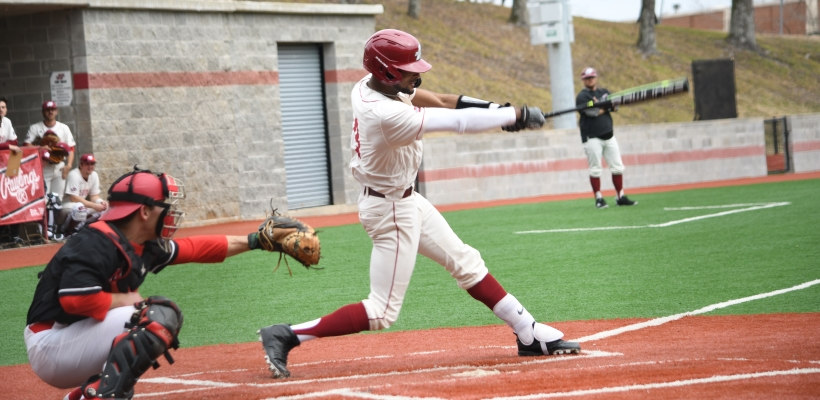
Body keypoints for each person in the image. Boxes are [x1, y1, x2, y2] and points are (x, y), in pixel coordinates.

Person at [257, 28, 580, 380]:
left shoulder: (372, 85)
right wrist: (510, 116)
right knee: (381, 311)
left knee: (466, 261)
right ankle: (286, 334)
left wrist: (497, 110)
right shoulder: (385, 114)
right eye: (409, 68)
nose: (418, 74)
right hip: (390, 211)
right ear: (388, 72)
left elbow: (442, 100)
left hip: (405, 201)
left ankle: (527, 331)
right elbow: (455, 121)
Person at [24, 167, 285, 400]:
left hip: (75, 336)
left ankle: (87, 394)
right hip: (50, 343)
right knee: (154, 316)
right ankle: (106, 395)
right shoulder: (95, 242)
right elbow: (76, 300)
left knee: (154, 314)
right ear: (145, 211)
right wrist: (126, 300)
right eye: (164, 204)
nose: (170, 211)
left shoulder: (139, 242)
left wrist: (256, 241)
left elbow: (195, 248)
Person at [576, 67, 636, 209]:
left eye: (592, 77)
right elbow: (593, 112)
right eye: (587, 78)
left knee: (617, 167)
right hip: (592, 137)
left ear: (596, 78)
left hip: (609, 135)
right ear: (583, 80)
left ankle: (620, 196)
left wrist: (606, 106)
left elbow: (615, 106)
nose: (590, 80)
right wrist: (605, 107)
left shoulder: (604, 92)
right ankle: (599, 198)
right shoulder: (582, 97)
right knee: (595, 169)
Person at [24, 100, 76, 196]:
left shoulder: (64, 128)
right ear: (43, 112)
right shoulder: (35, 128)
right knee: (44, 198)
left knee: (57, 199)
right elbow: (26, 145)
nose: (50, 112)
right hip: (43, 167)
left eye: (52, 109)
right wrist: (40, 147)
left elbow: (71, 148)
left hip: (59, 166)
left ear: (57, 111)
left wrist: (68, 165)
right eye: (47, 109)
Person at [57, 153, 108, 236]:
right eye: (87, 164)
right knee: (80, 208)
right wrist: (94, 205)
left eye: (92, 164)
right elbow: (73, 198)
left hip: (81, 205)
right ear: (81, 165)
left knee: (104, 208)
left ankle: (85, 229)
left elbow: (94, 196)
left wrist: (100, 202)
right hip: (66, 206)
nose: (90, 166)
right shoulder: (74, 175)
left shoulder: (94, 175)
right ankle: (68, 231)